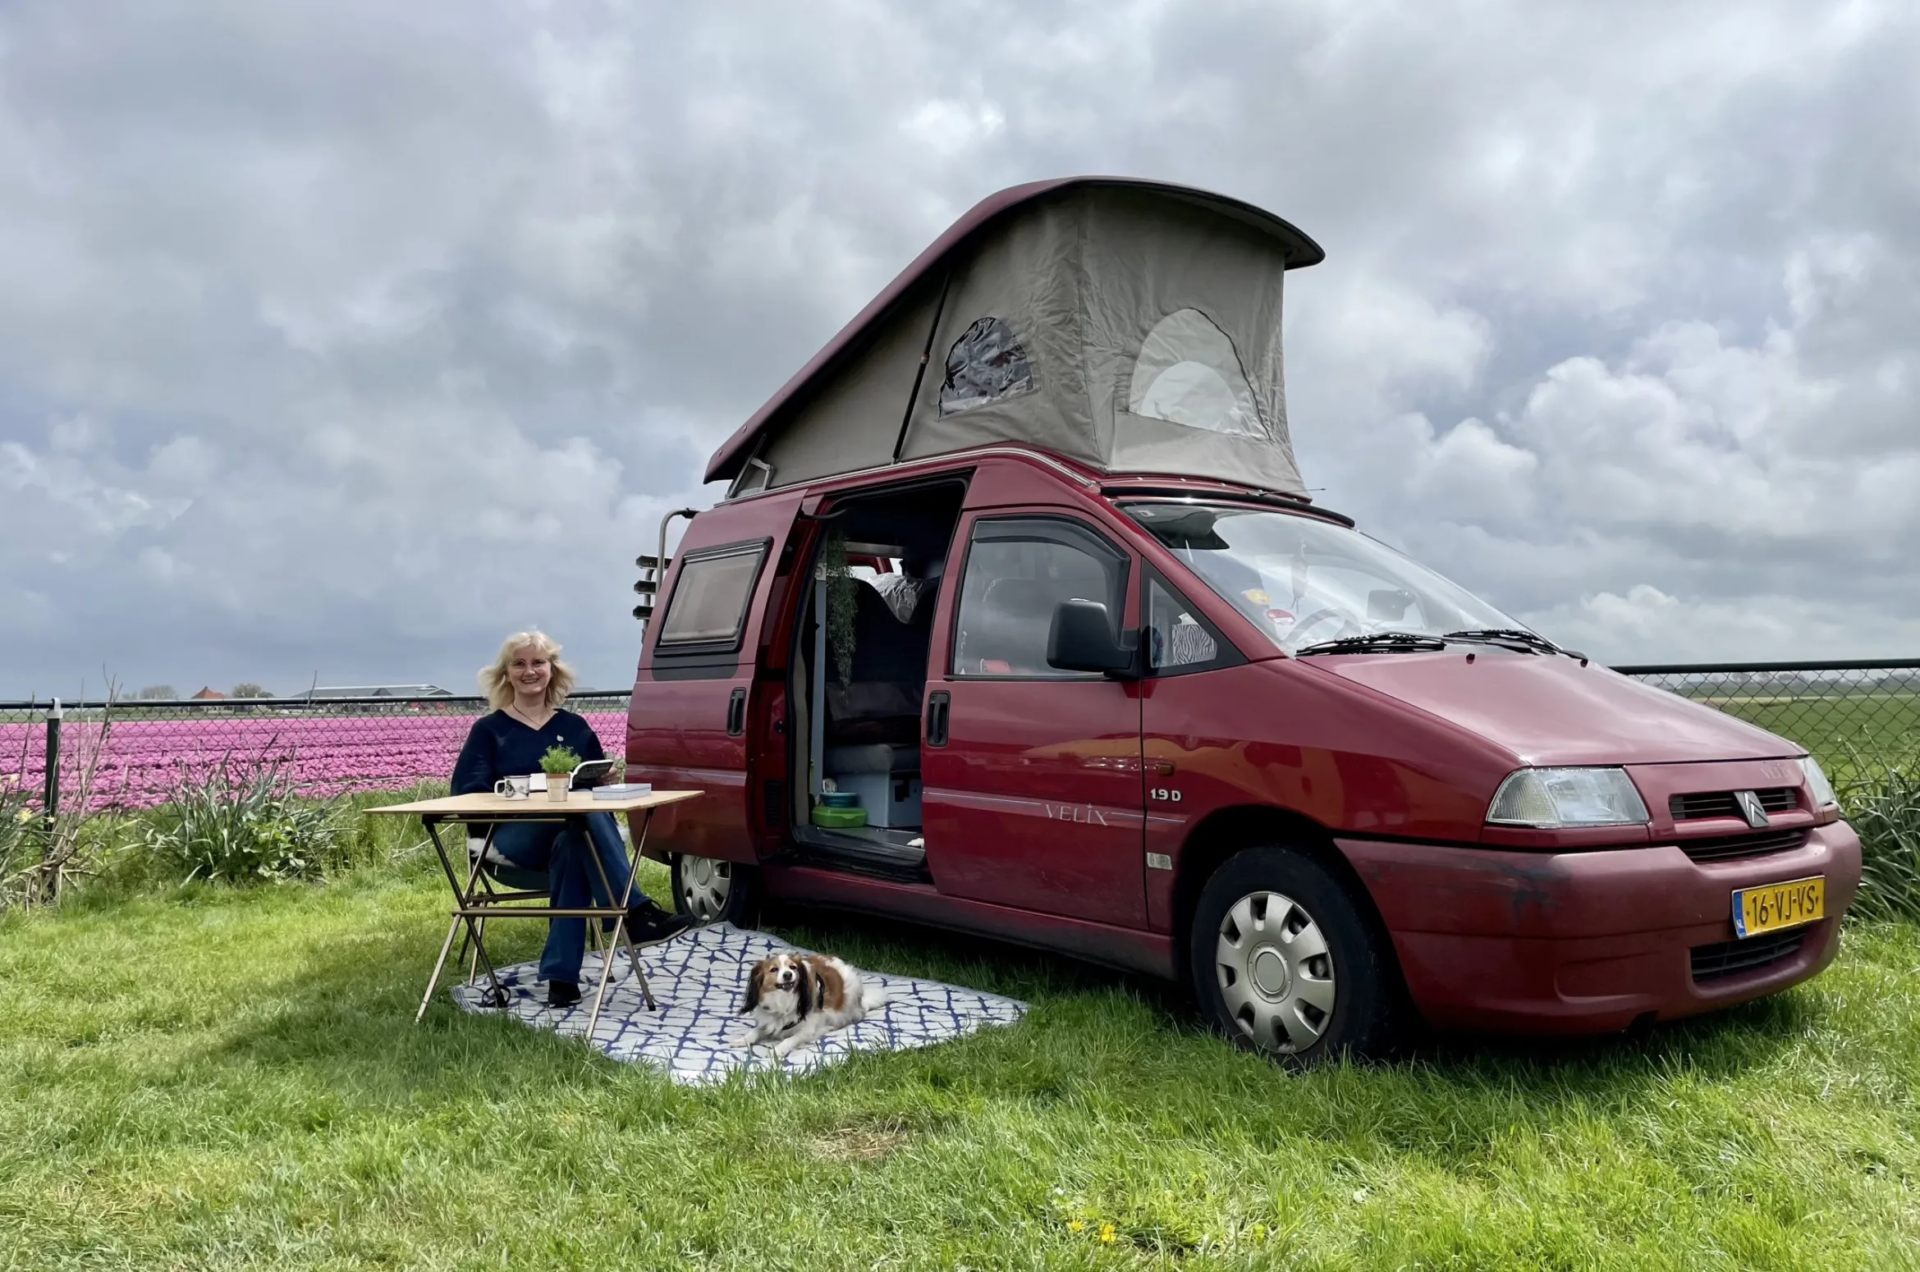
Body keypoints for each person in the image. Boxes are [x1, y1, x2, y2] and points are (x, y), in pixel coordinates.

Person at [451, 629, 690, 1007]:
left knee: (574, 842)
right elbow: (466, 795)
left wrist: (604, 780)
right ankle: (635, 911)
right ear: (507, 673)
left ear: (552, 670)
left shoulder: (574, 728)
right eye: (520, 664)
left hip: (571, 835)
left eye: (538, 663)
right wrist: (528, 789)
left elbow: (594, 786)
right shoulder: (489, 731)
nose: (530, 671)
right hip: (513, 839)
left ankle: (562, 979)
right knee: (577, 811)